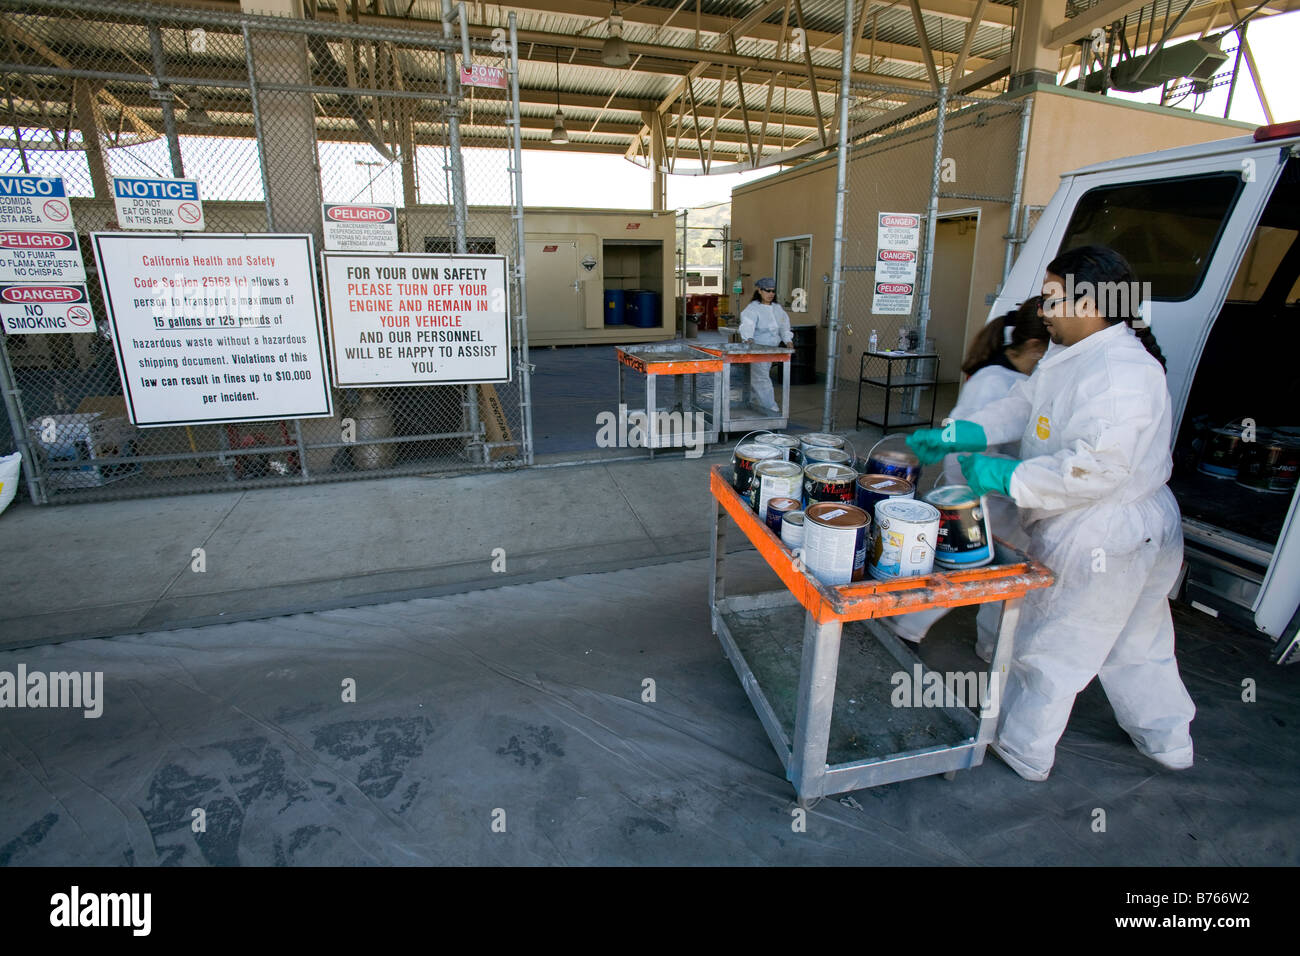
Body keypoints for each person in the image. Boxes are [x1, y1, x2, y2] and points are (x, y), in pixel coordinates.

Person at [905, 245, 1195, 782]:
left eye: (1054, 298)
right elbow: (1022, 406)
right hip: (1124, 525)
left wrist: (1003, 476)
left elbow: (1096, 471)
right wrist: (967, 431)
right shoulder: (1075, 355)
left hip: (1104, 529)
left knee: (1053, 645)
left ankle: (1024, 749)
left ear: (1088, 302)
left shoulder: (1120, 372)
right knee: (1138, 640)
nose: (1044, 309)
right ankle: (1167, 738)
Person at [885, 296, 1049, 660]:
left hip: (1003, 492)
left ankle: (988, 642)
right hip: (986, 497)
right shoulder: (997, 381)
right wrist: (984, 482)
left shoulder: (1015, 378)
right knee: (974, 569)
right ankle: (907, 625)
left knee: (992, 573)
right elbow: (977, 436)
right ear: (1036, 345)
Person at [737, 277, 793, 413]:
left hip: (772, 350)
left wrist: (788, 340)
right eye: (767, 291)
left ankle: (757, 407)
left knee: (760, 378)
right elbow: (747, 324)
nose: (771, 294)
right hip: (758, 350)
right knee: (761, 379)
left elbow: (784, 326)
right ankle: (771, 410)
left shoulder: (777, 308)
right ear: (759, 291)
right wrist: (748, 338)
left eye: (773, 291)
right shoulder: (753, 308)